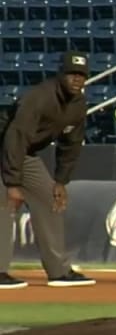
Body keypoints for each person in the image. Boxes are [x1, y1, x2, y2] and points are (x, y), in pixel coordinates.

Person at [0, 51, 95, 289]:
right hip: (5, 146)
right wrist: (12, 183)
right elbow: (15, 136)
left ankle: (59, 271)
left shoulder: (78, 104)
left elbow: (71, 144)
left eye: (82, 75)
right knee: (4, 205)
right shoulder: (39, 97)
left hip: (25, 153)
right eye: (72, 74)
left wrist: (60, 181)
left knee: (49, 199)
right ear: (60, 74)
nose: (77, 80)